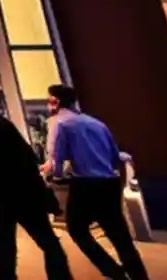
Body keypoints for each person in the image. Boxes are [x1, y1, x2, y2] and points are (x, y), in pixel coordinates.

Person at [0, 87, 72, 280]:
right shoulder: (2, 125)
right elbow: (25, 162)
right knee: (48, 242)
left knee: (3, 244)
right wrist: (45, 196)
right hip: (20, 194)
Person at [48, 84, 149, 280]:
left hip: (85, 184)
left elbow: (57, 159)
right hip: (109, 183)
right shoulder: (97, 123)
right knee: (119, 235)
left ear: (56, 101)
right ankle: (139, 276)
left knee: (77, 229)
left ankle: (114, 272)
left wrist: (56, 176)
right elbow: (113, 156)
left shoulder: (61, 125)